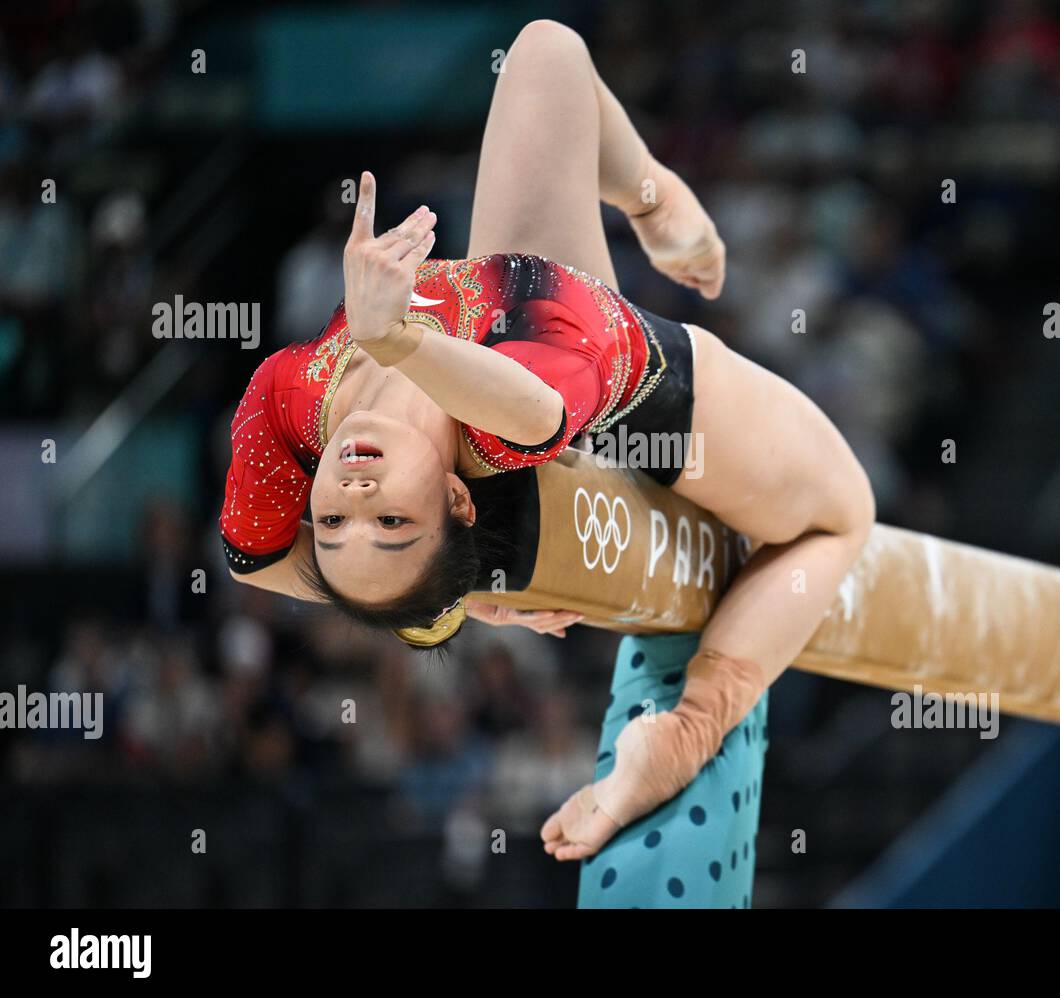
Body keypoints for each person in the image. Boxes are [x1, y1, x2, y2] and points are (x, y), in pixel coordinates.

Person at [221, 20, 874, 859]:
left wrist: (443, 594)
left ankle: (655, 197)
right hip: (641, 394)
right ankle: (693, 728)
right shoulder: (500, 429)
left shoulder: (287, 397)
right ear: (457, 497)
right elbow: (533, 411)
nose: (351, 504)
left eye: (337, 526)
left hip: (531, 284)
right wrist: (396, 343)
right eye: (391, 523)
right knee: (842, 513)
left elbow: (254, 558)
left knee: (545, 52)